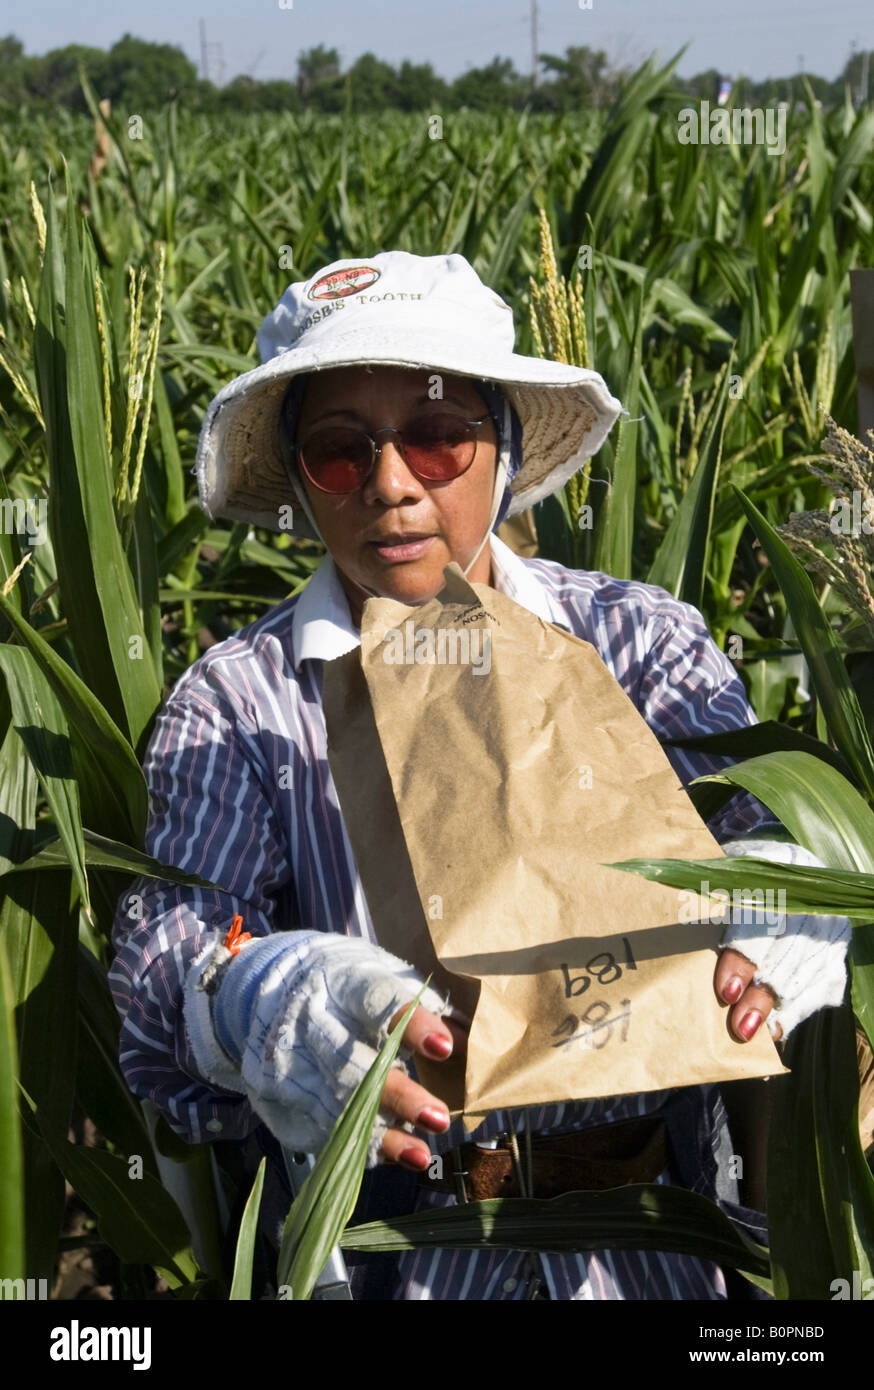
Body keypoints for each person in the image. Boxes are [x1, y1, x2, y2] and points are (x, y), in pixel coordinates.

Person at [110, 250, 850, 1300]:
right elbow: (157, 981)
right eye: (338, 452)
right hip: (389, 1254)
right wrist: (257, 998)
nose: (393, 482)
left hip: (657, 1245)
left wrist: (791, 900)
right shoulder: (240, 704)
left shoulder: (635, 643)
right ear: (302, 480)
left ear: (500, 449)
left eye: (437, 433)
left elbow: (768, 819)